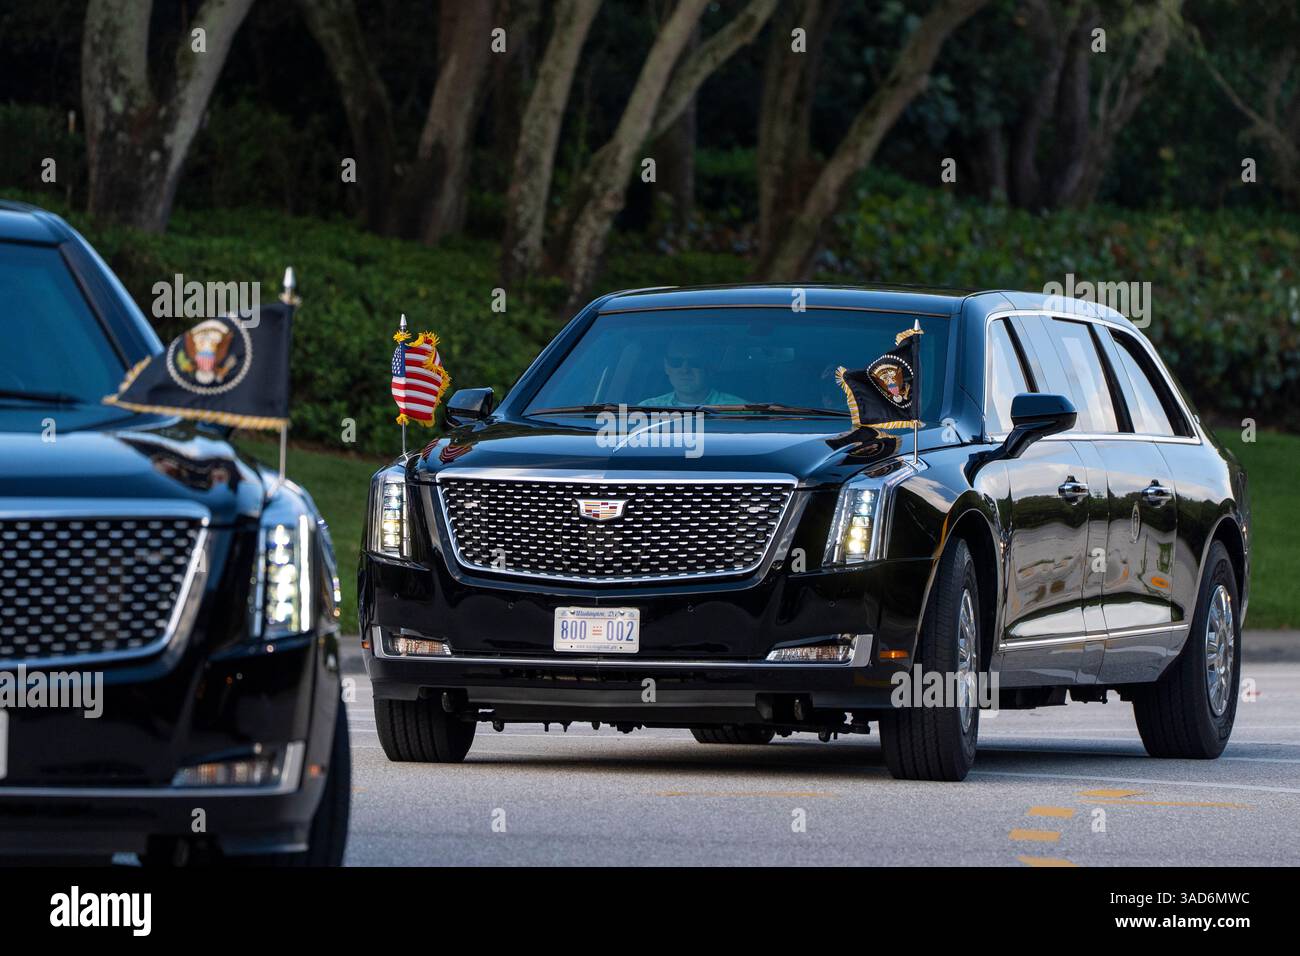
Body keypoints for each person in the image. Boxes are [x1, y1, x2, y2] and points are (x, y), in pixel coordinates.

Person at [640, 339, 745, 407]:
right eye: (676, 362)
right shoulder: (645, 410)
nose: (685, 370)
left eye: (695, 362)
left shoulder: (740, 410)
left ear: (709, 367)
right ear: (666, 367)